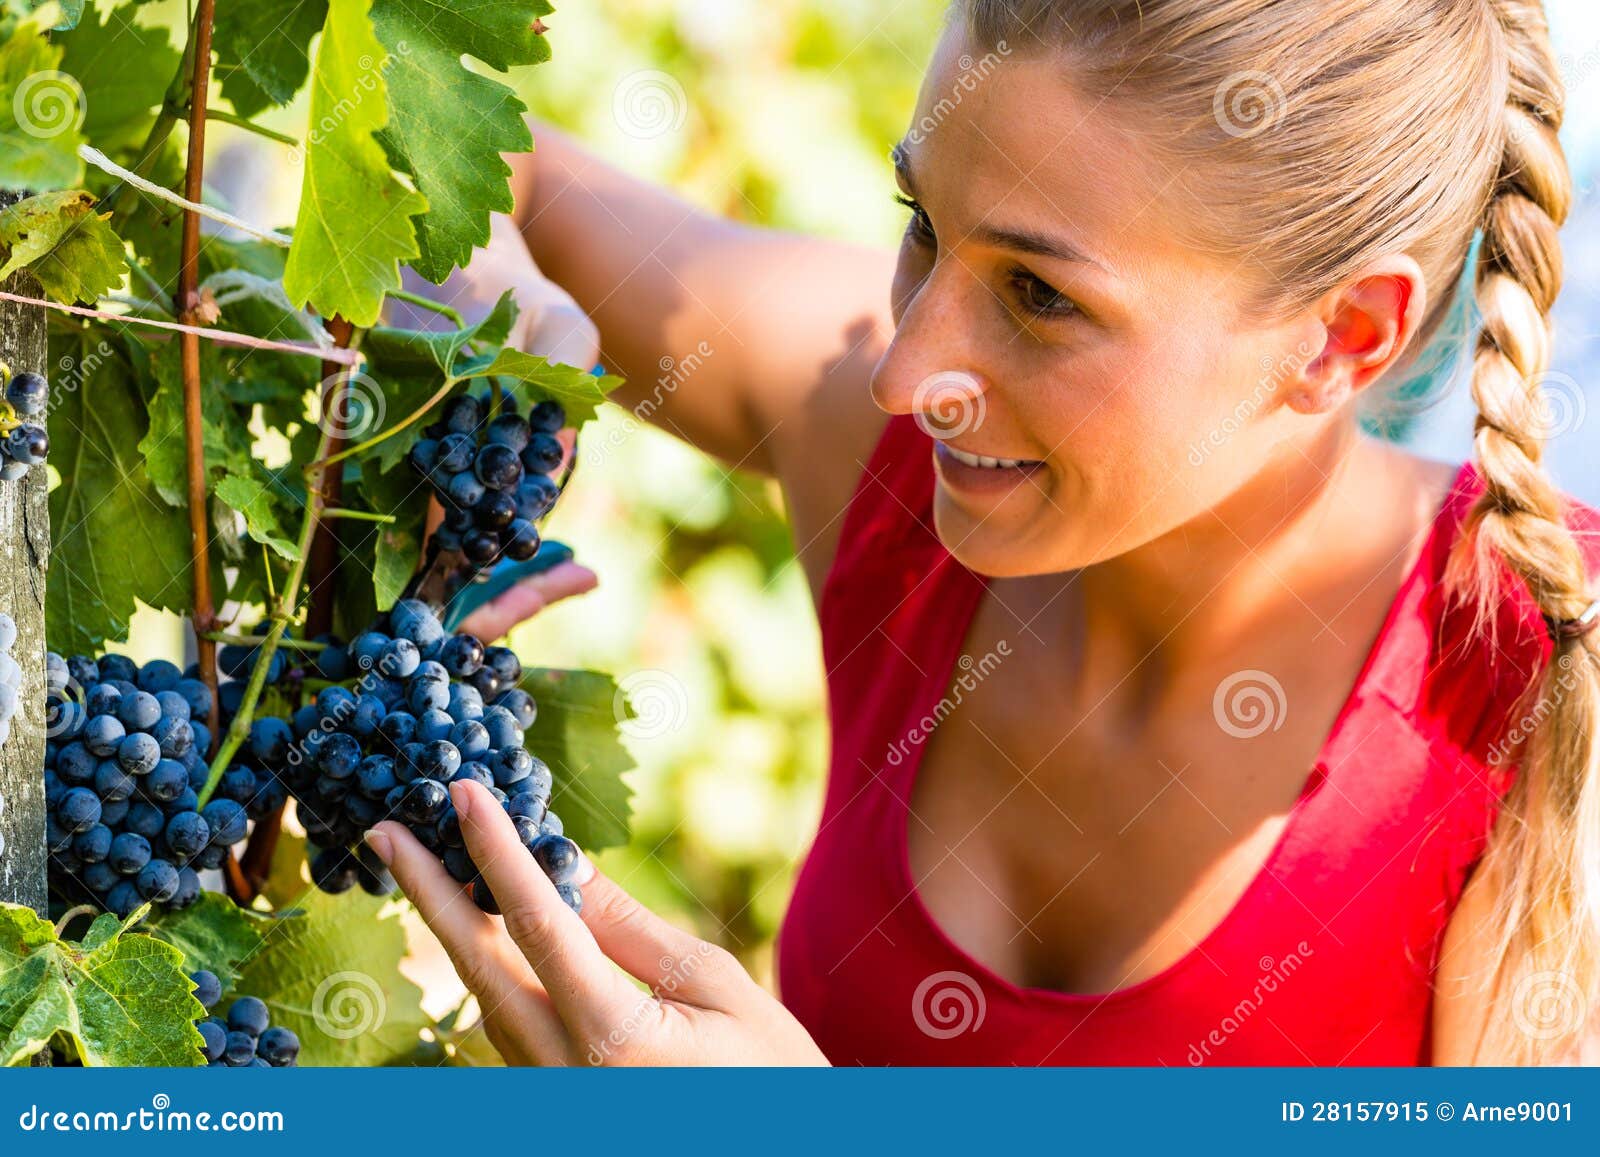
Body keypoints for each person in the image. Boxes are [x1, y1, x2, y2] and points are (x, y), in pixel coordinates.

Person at [362, 0, 1600, 1066]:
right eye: (921, 225)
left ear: (1344, 336)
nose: (906, 373)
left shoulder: (1550, 688)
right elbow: (446, 161)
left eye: (1039, 295)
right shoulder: (892, 451)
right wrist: (488, 293)